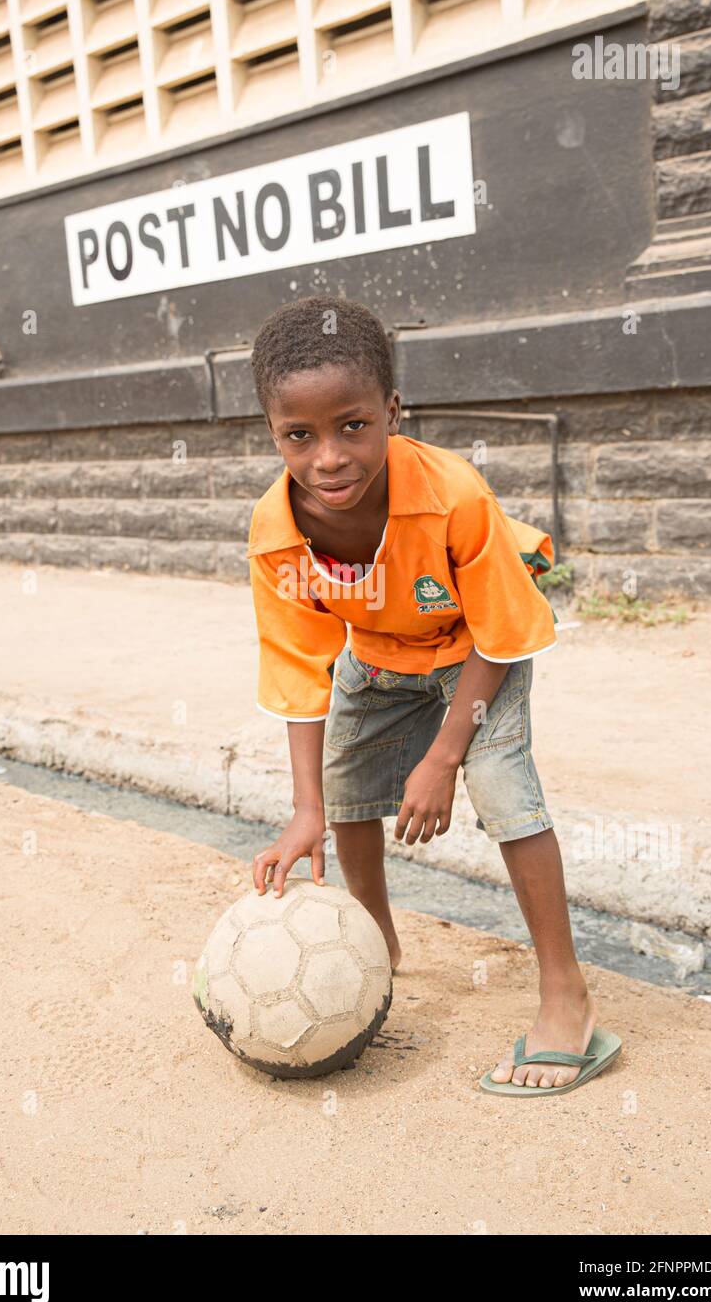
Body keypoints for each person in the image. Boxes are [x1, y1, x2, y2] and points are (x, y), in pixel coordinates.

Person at [245, 294, 621, 1096]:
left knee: (502, 788)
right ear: (273, 433)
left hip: (475, 653)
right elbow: (299, 670)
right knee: (347, 792)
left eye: (353, 425)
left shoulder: (451, 494)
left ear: (391, 410)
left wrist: (444, 756)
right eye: (298, 436)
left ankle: (568, 998)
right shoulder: (275, 531)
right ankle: (376, 940)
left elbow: (500, 635)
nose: (330, 458)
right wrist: (305, 808)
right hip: (379, 655)